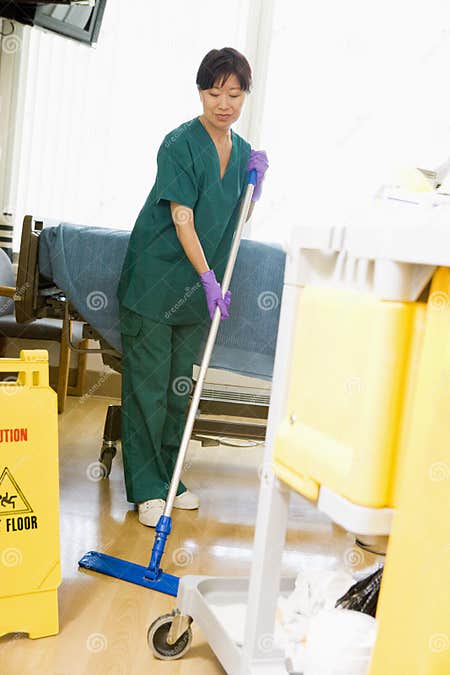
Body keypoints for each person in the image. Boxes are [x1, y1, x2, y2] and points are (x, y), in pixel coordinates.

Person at [117, 47, 269, 526]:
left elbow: (236, 217)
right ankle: (145, 488)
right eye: (213, 92)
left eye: (233, 93)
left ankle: (170, 475)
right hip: (156, 280)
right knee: (149, 389)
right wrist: (206, 277)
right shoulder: (178, 143)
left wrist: (255, 188)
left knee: (181, 388)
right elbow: (182, 217)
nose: (223, 103)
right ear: (200, 92)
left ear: (245, 95)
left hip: (197, 290)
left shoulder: (243, 153)